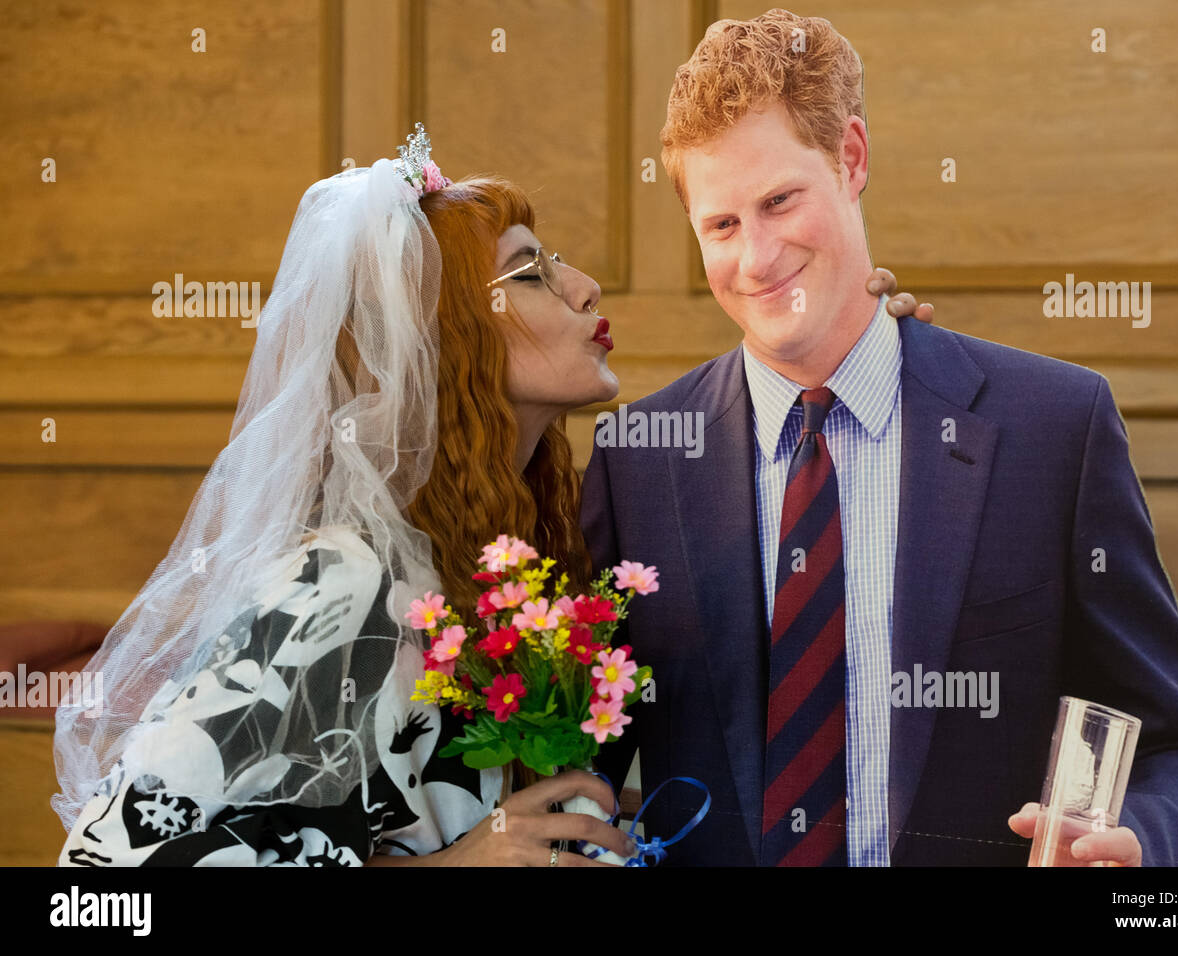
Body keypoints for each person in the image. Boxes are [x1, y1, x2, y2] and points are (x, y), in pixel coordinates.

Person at [51, 125, 926, 866]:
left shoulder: (520, 560)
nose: (584, 286)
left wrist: (863, 350)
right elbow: (95, 882)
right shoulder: (344, 585)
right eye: (532, 274)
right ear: (449, 335)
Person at [581, 9, 1178, 866]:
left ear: (851, 158)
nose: (755, 258)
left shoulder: (1054, 428)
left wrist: (1143, 845)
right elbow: (575, 773)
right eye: (721, 225)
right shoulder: (636, 461)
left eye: (780, 200)